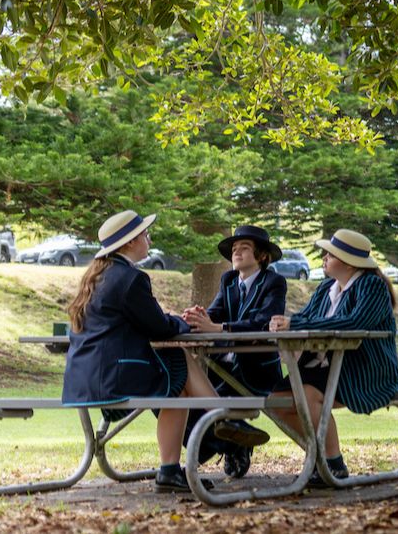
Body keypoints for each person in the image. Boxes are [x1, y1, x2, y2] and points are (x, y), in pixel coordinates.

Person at [62, 210, 255, 492]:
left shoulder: (100, 275)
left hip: (83, 379)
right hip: (113, 378)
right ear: (129, 243)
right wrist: (184, 322)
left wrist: (171, 320)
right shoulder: (130, 278)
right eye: (144, 235)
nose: (149, 239)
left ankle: (172, 468)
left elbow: (145, 322)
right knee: (179, 363)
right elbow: (160, 326)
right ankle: (224, 417)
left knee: (177, 382)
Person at [267, 229, 398, 488]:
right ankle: (320, 459)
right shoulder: (326, 288)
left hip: (362, 370)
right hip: (321, 367)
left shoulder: (371, 286)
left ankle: (334, 463)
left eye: (330, 253)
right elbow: (306, 317)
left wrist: (294, 324)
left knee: (307, 395)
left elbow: (355, 322)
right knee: (275, 401)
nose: (324, 257)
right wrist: (285, 323)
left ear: (348, 261)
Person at [182, 224, 288, 479]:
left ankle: (229, 442)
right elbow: (215, 313)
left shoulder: (274, 282)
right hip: (221, 370)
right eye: (234, 248)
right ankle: (233, 442)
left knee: (203, 405)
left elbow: (263, 321)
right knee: (182, 399)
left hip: (256, 371)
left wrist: (218, 327)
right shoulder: (228, 280)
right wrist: (197, 318)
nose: (236, 252)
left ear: (262, 256)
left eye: (244, 248)